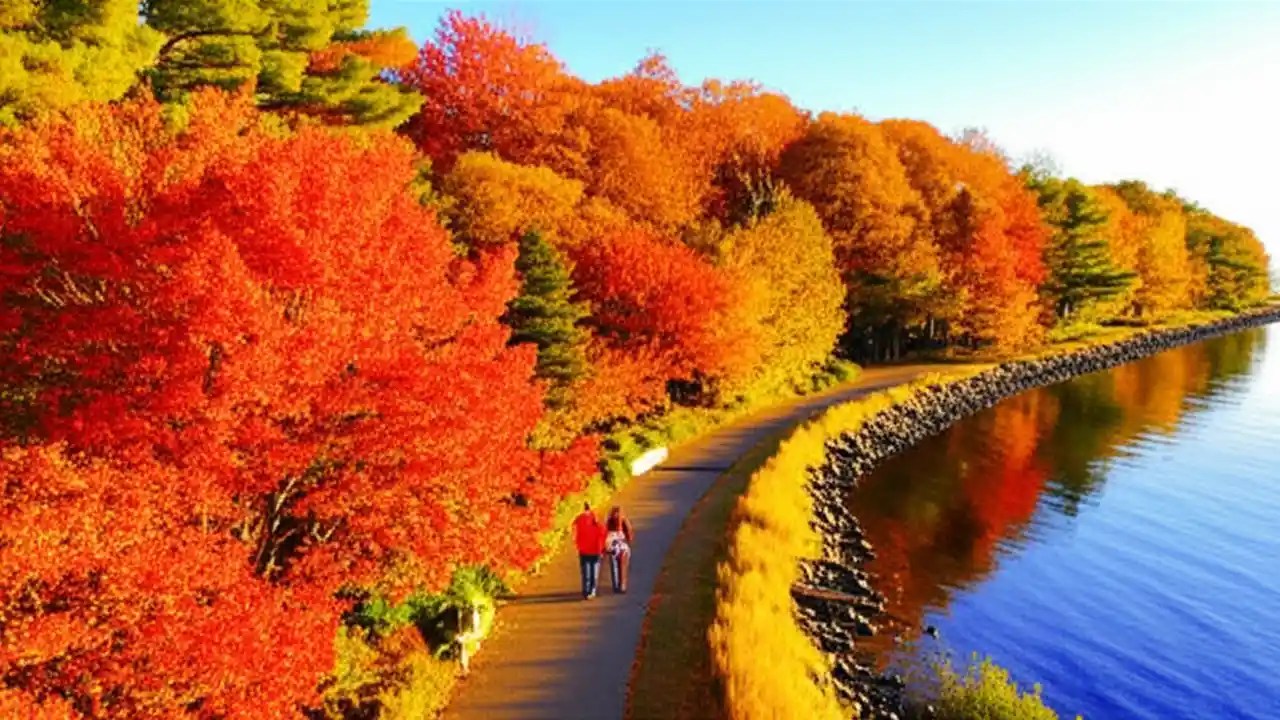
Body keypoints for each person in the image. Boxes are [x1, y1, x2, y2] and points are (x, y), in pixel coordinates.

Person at [572, 502, 605, 599]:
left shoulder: (579, 518)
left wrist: (576, 542)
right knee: (593, 572)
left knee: (586, 572)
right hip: (595, 550)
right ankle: (591, 591)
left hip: (584, 549)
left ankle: (586, 591)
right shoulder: (596, 518)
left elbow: (573, 528)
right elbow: (603, 532)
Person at [604, 506, 634, 594]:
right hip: (621, 548)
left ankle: (618, 585)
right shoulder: (622, 522)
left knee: (615, 567)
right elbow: (630, 536)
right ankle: (621, 585)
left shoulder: (610, 522)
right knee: (622, 567)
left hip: (614, 548)